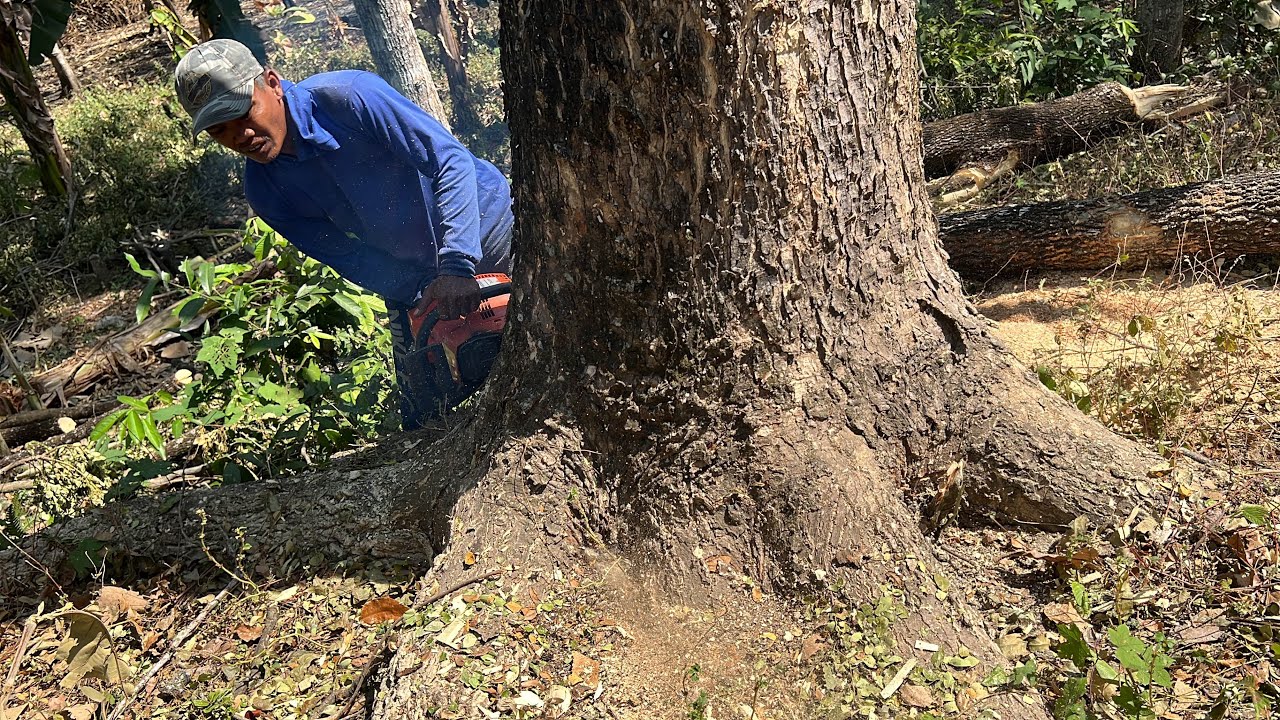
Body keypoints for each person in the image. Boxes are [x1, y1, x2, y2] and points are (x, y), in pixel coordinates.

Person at [173, 39, 514, 430]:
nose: (240, 135)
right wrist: (420, 290)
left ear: (273, 83)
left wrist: (456, 263)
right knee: (424, 413)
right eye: (221, 130)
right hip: (417, 275)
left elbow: (449, 162)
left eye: (243, 113)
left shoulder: (349, 99)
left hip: (490, 230)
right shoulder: (265, 191)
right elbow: (348, 256)